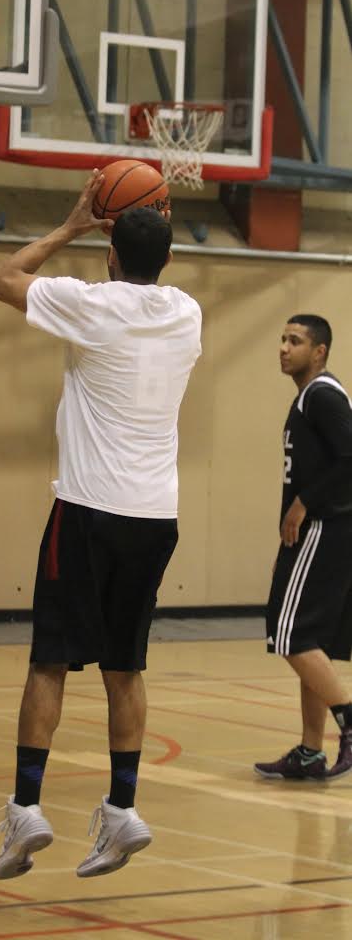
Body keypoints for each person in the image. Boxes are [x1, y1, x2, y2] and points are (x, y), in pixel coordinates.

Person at [0, 170, 202, 880]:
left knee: (50, 658)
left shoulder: (88, 304)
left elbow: (3, 277)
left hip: (85, 508)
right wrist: (120, 230)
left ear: (110, 253)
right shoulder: (187, 314)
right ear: (167, 260)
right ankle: (122, 810)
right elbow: (142, 269)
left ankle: (25, 809)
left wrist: (73, 224)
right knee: (124, 666)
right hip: (154, 518)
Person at [255, 315, 352, 783]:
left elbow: (349, 456)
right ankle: (312, 752)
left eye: (295, 341)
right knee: (310, 638)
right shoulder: (309, 398)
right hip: (316, 532)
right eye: (282, 339)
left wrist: (302, 506)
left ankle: (349, 721)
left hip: (324, 526)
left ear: (320, 351)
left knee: (288, 632)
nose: (283, 347)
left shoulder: (323, 395)